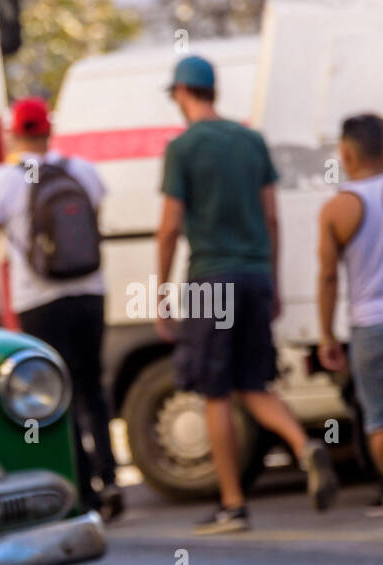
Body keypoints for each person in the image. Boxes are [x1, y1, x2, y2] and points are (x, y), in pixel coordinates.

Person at [155, 55, 337, 534]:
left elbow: (170, 228)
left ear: (181, 92)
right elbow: (272, 217)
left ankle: (233, 505)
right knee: (253, 384)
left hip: (210, 279)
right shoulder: (251, 140)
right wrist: (271, 279)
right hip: (256, 277)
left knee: (214, 394)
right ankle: (303, 446)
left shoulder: (184, 147)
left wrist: (161, 293)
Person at [0, 97, 123, 519]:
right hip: (90, 290)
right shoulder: (83, 171)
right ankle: (110, 478)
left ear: (15, 134)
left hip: (38, 300)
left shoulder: (2, 181)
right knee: (93, 387)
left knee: (56, 391)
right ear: (49, 129)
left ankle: (83, 488)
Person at [315, 113, 383, 515]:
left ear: (345, 152)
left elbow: (327, 278)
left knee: (377, 415)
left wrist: (326, 336)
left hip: (368, 324)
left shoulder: (339, 208)